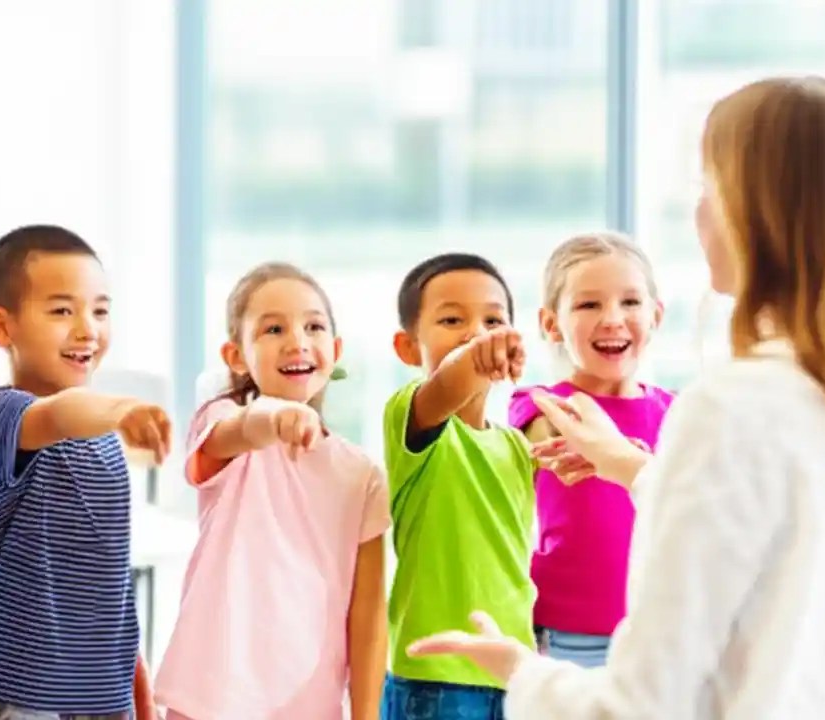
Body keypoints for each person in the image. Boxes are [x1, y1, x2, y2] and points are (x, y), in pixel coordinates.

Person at [407, 76, 825, 718]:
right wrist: (630, 466)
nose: (698, 211)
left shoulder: (732, 406)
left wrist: (522, 673)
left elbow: (638, 707)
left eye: (708, 186)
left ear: (755, 211)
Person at [154, 262, 390, 720]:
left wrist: (365, 714)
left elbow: (368, 615)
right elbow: (237, 431)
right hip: (212, 697)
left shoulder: (361, 473)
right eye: (273, 328)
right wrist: (273, 419)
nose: (297, 340)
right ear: (236, 356)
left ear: (335, 349)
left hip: (309, 704)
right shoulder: (221, 421)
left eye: (314, 326)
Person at [0, 224, 166, 720]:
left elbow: (109, 584)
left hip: (102, 693)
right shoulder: (3, 416)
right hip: (20, 690)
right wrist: (120, 410)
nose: (87, 329)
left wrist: (136, 688)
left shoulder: (104, 439)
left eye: (100, 310)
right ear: (1, 327)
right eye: (61, 310)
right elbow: (56, 416)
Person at [508, 233, 673, 668]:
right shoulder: (542, 406)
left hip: (659, 636)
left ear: (656, 315)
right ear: (550, 324)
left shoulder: (676, 413)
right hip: (571, 637)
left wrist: (623, 454)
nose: (613, 319)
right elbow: (552, 441)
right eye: (588, 305)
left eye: (630, 302)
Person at [381, 253, 533, 720]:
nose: (475, 332)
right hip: (435, 681)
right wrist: (480, 352)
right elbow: (451, 381)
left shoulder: (515, 444)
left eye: (493, 320)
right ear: (408, 347)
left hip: (514, 673)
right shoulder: (413, 414)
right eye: (451, 319)